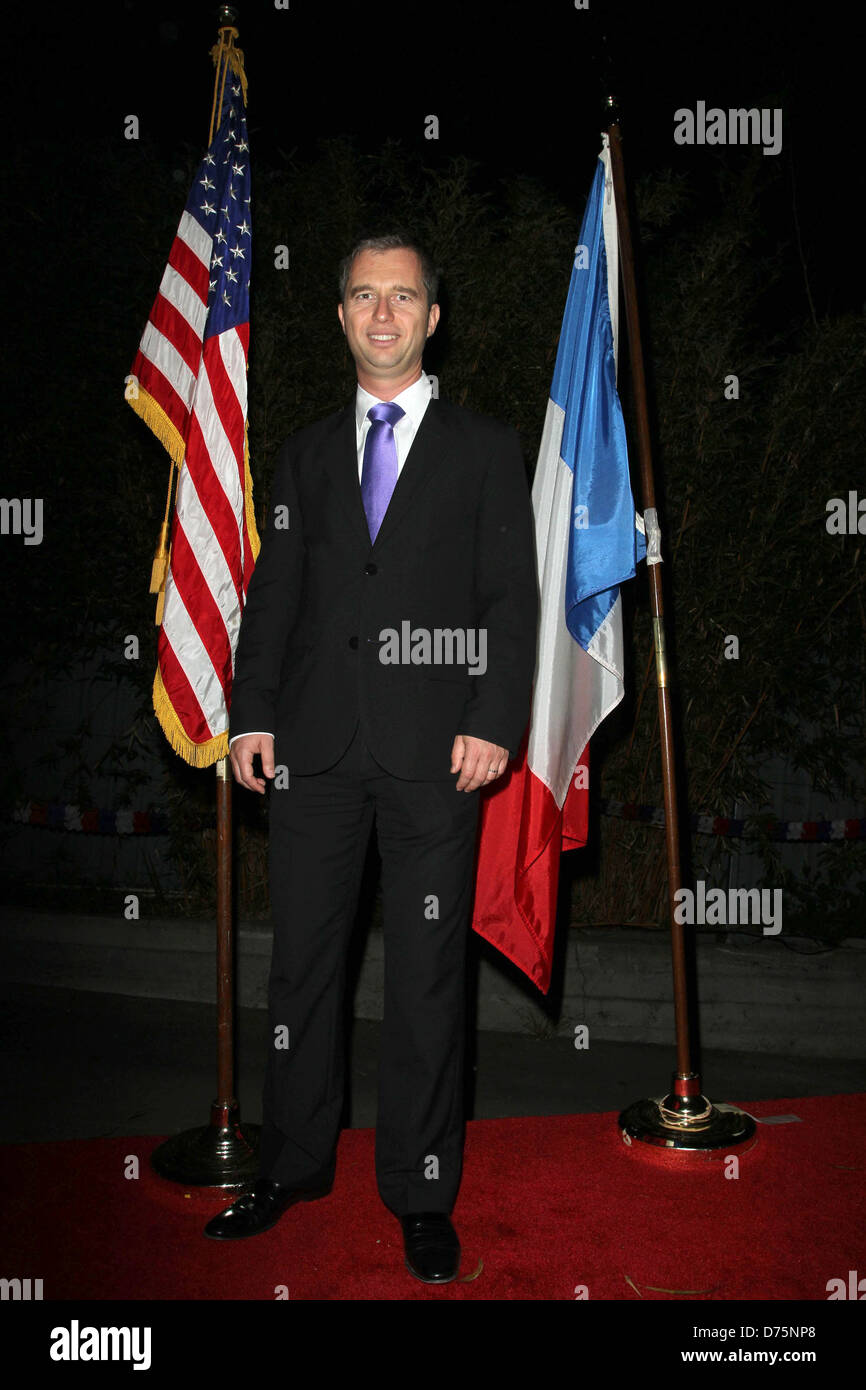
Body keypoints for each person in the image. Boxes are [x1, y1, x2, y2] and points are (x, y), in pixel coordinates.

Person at [204, 234, 538, 1284]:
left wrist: (493, 717)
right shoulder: (301, 454)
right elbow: (276, 600)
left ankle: (421, 1186)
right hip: (311, 751)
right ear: (341, 314)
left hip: (438, 755)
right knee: (301, 966)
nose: (382, 313)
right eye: (362, 295)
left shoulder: (486, 449)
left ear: (432, 316)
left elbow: (509, 601)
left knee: (427, 975)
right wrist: (249, 713)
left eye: (402, 296)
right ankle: (292, 1163)